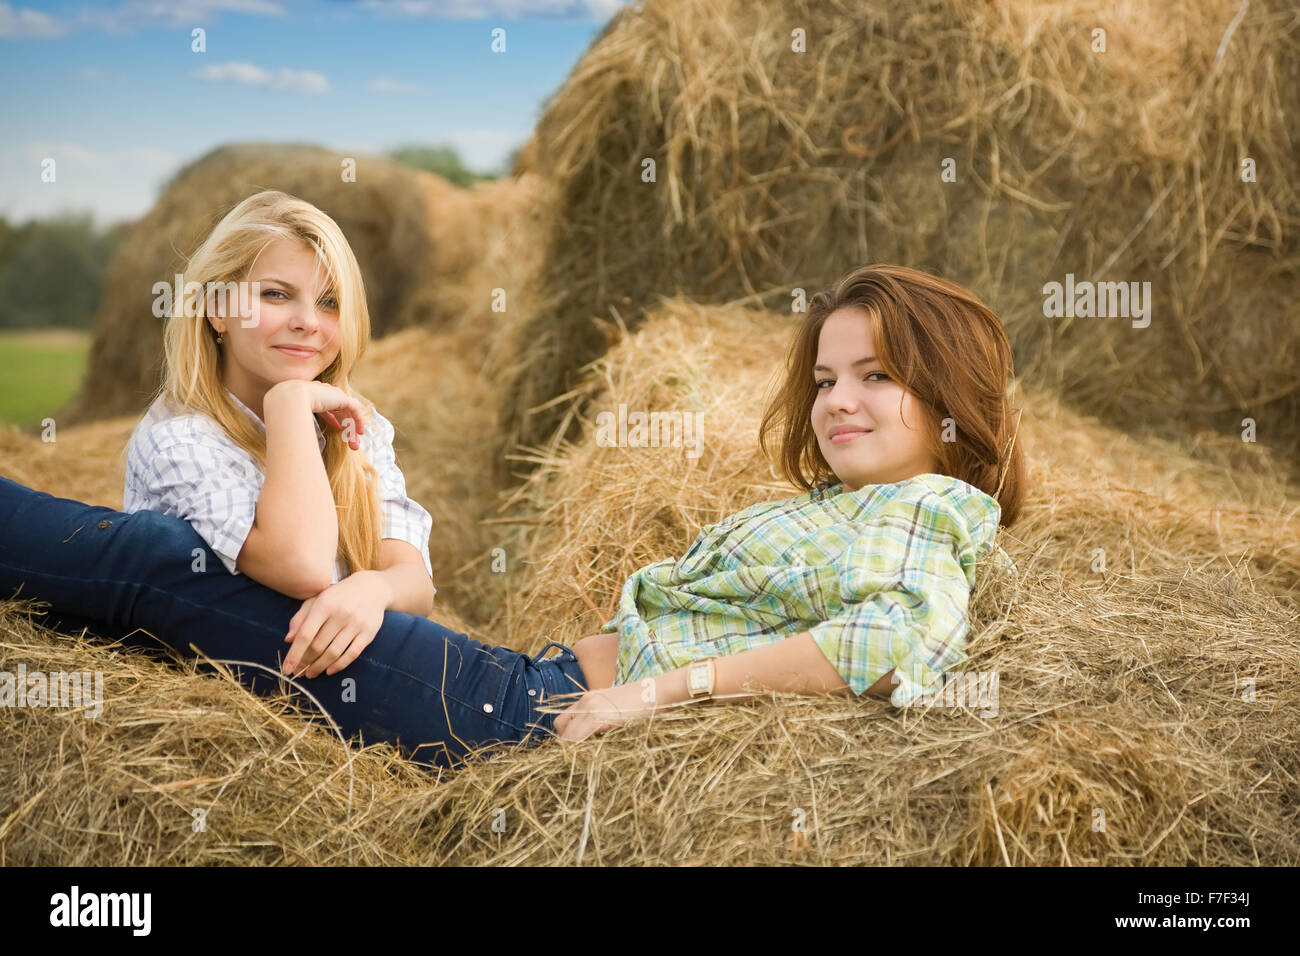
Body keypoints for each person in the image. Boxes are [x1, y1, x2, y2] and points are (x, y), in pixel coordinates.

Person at [0, 193, 1024, 767]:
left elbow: (894, 644)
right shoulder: (860, 506)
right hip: (516, 682)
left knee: (162, 564)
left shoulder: (932, 507)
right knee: (162, 570)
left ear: (946, 395)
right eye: (827, 377)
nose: (838, 400)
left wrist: (652, 694)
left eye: (877, 377)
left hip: (524, 711)